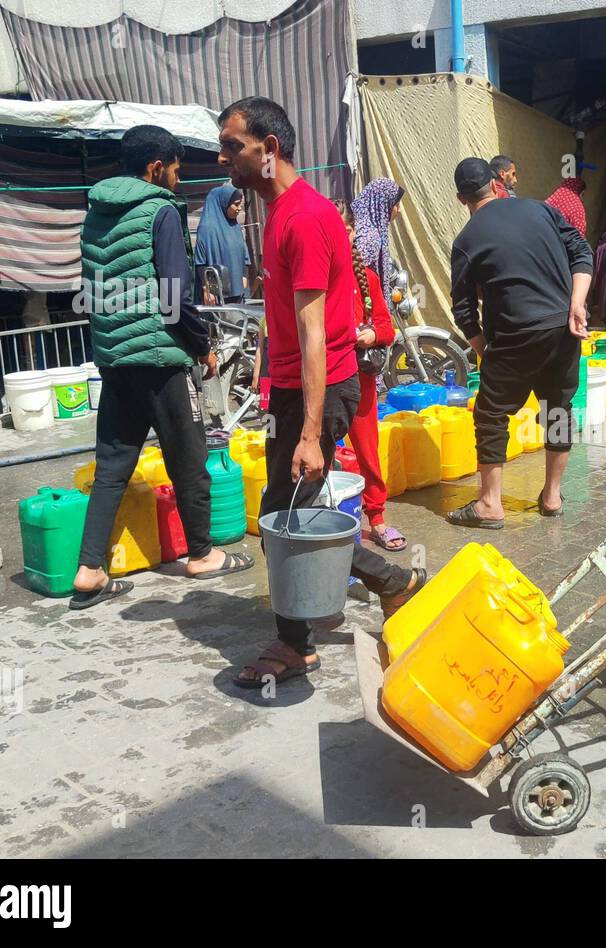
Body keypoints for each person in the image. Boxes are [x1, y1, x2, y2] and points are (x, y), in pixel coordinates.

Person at [216, 97, 424, 689]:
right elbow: (283, 322)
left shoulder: (303, 217)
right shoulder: (279, 212)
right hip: (292, 389)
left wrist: (308, 432)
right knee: (292, 513)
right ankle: (386, 583)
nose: (223, 155)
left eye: (233, 145)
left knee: (283, 515)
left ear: (268, 150)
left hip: (319, 388)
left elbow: (313, 334)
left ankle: (296, 642)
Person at [71, 125, 253, 610]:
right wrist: (202, 344)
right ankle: (201, 553)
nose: (176, 178)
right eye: (174, 168)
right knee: (189, 455)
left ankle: (90, 570)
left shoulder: (95, 214)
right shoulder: (160, 211)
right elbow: (175, 296)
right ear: (156, 167)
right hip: (160, 358)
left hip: (116, 358)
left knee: (112, 466)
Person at [446, 157, 592, 529]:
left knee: (491, 415)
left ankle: (490, 504)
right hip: (563, 327)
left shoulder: (466, 240)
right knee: (557, 410)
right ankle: (553, 496)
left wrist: (482, 351)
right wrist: (576, 303)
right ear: (497, 184)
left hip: (513, 335)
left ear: (463, 199)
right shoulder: (541, 209)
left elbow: (463, 308)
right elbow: (582, 251)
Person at [332, 196, 405, 552]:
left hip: (360, 379)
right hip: (324, 380)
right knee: (323, 452)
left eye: (341, 228)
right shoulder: (315, 276)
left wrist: (372, 334)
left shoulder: (368, 279)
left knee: (367, 451)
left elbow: (386, 327)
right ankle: (328, 519)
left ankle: (376, 518)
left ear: (350, 232)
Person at [351, 176, 406, 311]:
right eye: (395, 204)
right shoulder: (370, 237)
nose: (398, 210)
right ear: (382, 204)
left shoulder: (357, 225)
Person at [193, 184, 250, 303]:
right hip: (216, 296)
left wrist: (244, 275)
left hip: (238, 292)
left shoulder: (235, 227)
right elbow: (200, 262)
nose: (239, 208)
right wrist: (206, 288)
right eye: (236, 204)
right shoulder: (206, 229)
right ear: (224, 204)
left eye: (240, 204)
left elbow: (244, 253)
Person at [546, 175, 588, 239]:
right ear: (581, 193)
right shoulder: (578, 209)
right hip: (555, 243)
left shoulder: (555, 196)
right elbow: (579, 238)